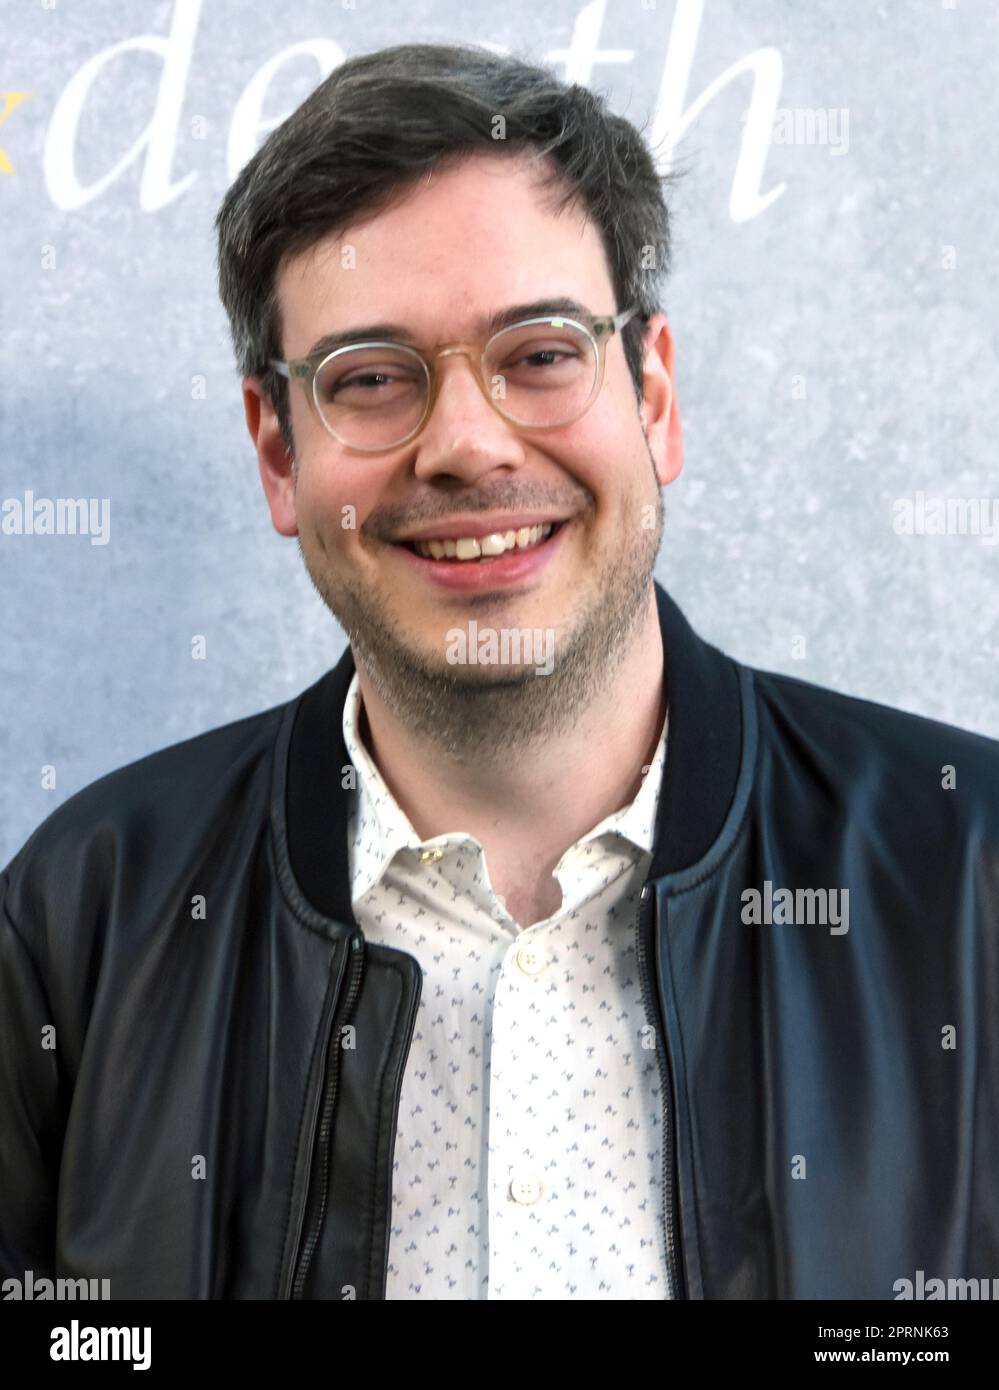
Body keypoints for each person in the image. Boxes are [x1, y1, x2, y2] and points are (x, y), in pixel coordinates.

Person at [2, 41, 998, 1302]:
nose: (466, 446)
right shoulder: (78, 922)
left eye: (539, 353)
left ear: (656, 395)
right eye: (371, 379)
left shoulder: (974, 874)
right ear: (276, 451)